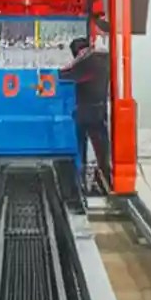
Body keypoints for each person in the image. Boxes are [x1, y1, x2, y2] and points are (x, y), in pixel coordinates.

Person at [58, 36, 111, 192]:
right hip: (100, 110)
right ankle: (105, 178)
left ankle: (80, 179)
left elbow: (65, 75)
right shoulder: (103, 58)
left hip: (85, 112)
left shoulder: (85, 60)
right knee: (102, 148)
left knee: (80, 146)